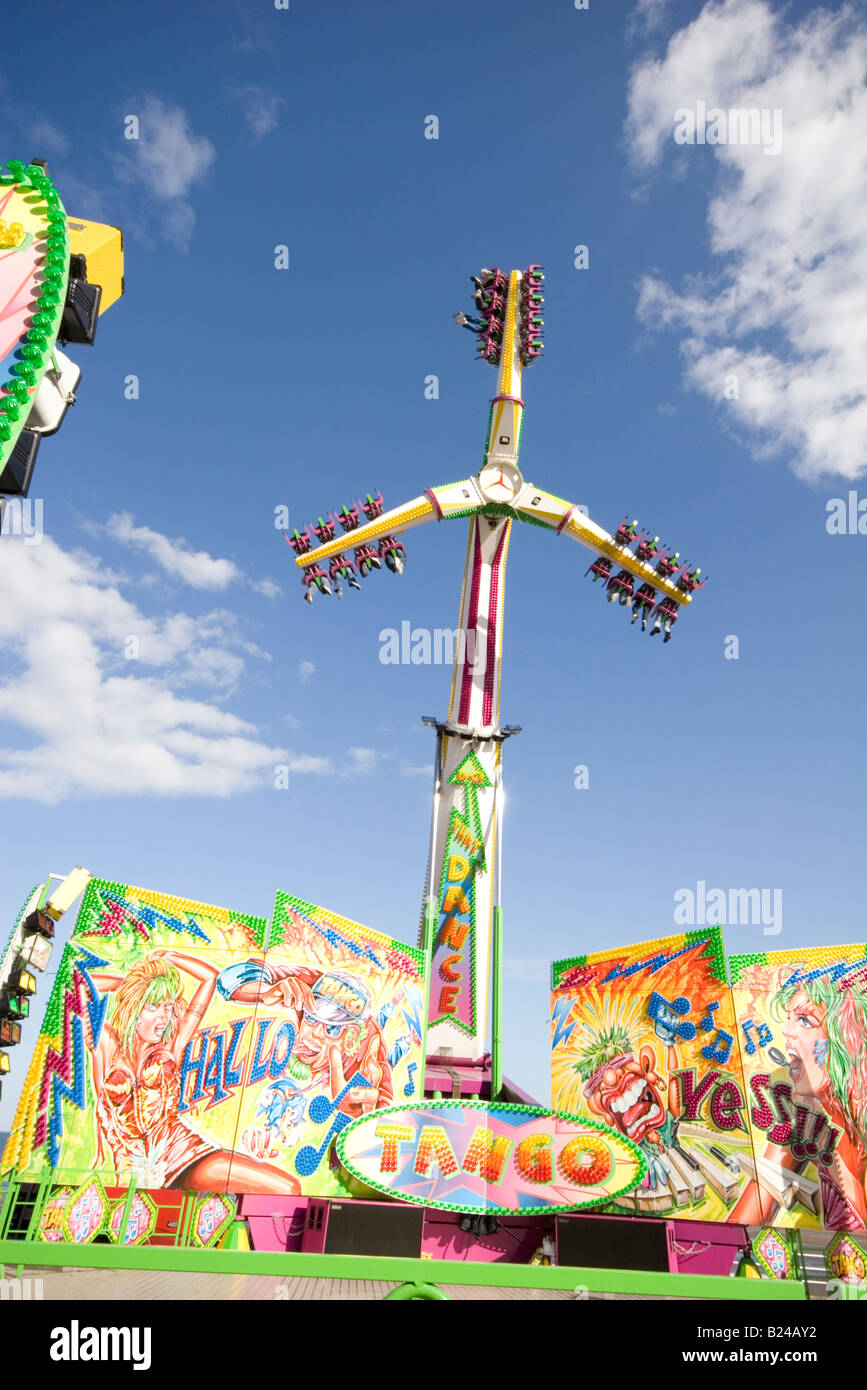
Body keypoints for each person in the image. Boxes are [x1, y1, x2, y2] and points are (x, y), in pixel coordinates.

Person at [87, 951, 300, 1193]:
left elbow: (209, 978)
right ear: (135, 1009)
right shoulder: (105, 1045)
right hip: (132, 1177)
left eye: (168, 1008)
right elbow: (79, 987)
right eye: (154, 1006)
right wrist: (131, 985)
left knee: (287, 1188)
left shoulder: (171, 1045)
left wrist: (172, 956)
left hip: (186, 1156)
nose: (163, 1017)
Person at [730, 972, 867, 1229]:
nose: (786, 1030)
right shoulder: (803, 1123)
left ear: (847, 1038)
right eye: (789, 1019)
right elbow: (739, 1229)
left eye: (804, 1020)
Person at [218, 961, 394, 1119]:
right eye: (310, 1019)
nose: (314, 1034)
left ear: (351, 1037)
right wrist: (267, 991)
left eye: (331, 1029)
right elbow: (230, 978)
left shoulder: (370, 1041)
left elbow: (385, 1106)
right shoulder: (310, 983)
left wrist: (362, 1113)